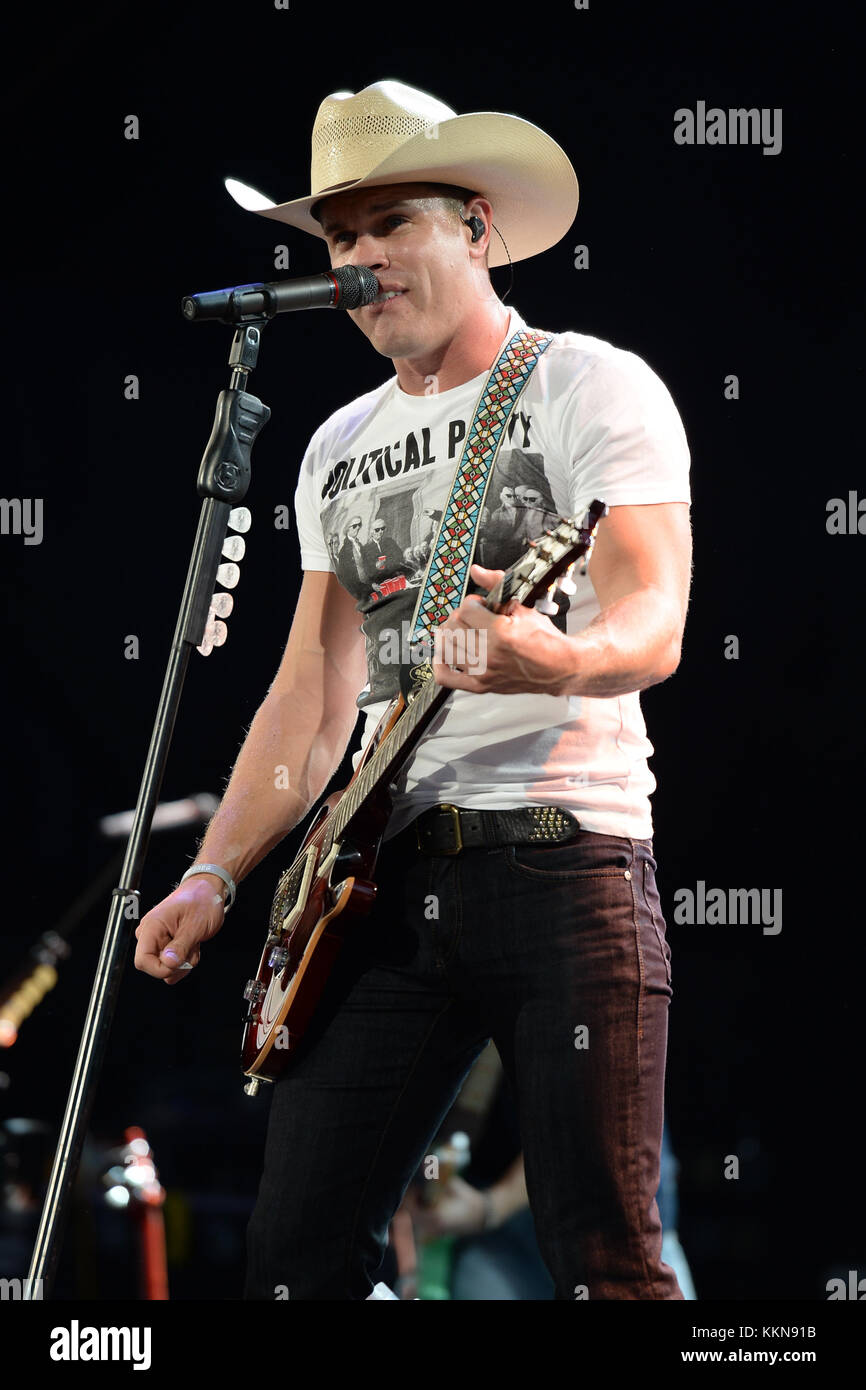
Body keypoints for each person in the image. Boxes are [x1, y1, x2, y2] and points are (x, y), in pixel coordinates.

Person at [134, 79, 692, 1300]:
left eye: (393, 224)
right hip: (378, 885)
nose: (361, 257)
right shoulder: (332, 444)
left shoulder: (586, 384)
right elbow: (309, 695)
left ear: (477, 228)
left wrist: (557, 657)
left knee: (604, 1256)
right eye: (339, 238)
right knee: (293, 1256)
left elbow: (654, 620)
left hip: (565, 859)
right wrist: (215, 871)